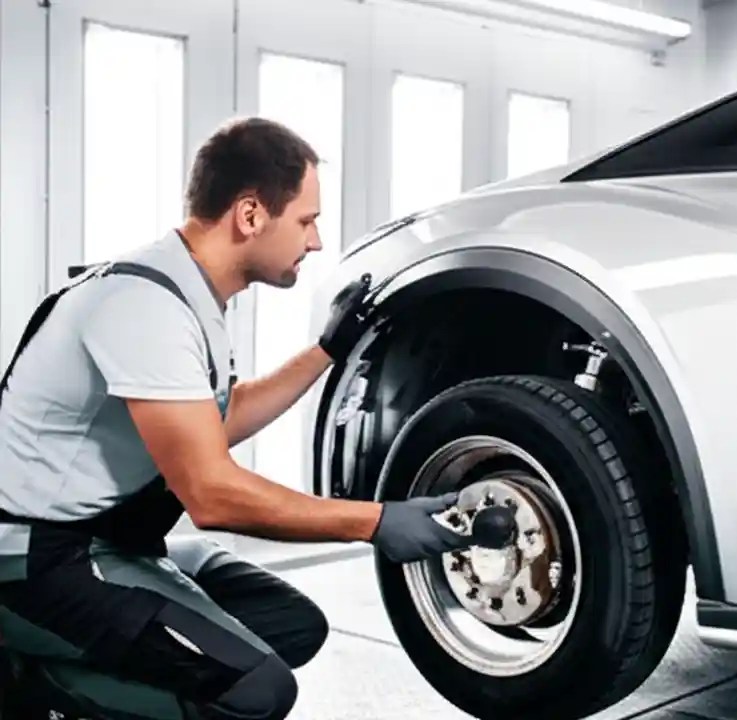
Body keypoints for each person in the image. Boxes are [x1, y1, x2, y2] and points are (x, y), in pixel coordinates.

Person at [0, 117, 513, 720]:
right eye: (306, 220)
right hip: (36, 563)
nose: (316, 241)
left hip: (113, 542)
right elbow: (211, 496)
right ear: (250, 215)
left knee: (291, 627)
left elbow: (216, 419)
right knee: (258, 692)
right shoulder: (145, 307)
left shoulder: (186, 293)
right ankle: (30, 686)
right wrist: (374, 522)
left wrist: (328, 349)